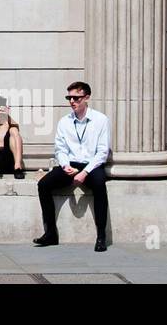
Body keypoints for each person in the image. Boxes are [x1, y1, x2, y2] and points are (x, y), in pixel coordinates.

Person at [34, 81, 111, 252]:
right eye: (69, 97)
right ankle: (50, 233)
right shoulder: (64, 122)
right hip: (71, 163)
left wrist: (84, 172)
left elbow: (102, 152)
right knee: (43, 185)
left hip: (92, 164)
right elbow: (60, 149)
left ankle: (101, 236)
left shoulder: (100, 120)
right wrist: (65, 165)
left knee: (99, 186)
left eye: (76, 97)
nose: (72, 101)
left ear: (87, 98)